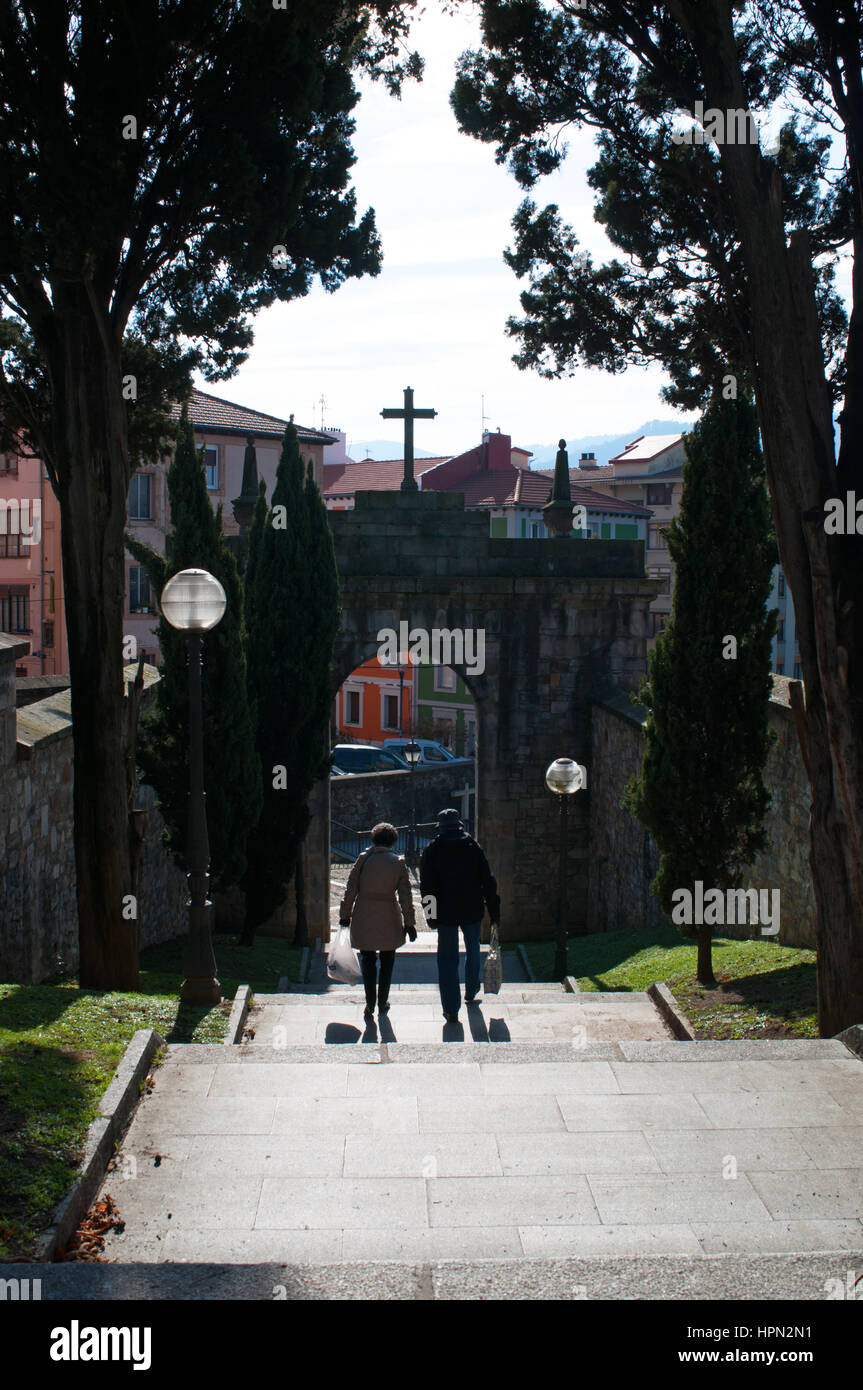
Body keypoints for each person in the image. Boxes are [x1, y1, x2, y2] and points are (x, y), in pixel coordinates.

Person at [420, 808, 501, 1022]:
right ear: (460, 826)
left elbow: (427, 887)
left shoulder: (432, 850)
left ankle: (451, 1008)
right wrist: (494, 910)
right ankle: (472, 988)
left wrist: (430, 915)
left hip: (445, 912)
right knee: (473, 948)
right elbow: (488, 880)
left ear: (440, 828)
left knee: (447, 959)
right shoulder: (472, 847)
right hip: (471, 908)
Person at [338, 822, 417, 1019]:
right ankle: (383, 1000)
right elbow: (406, 896)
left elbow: (350, 889)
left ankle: (370, 1001)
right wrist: (409, 923)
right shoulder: (398, 862)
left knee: (368, 959)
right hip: (389, 912)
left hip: (364, 911)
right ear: (393, 840)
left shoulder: (363, 860)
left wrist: (344, 915)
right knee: (388, 960)